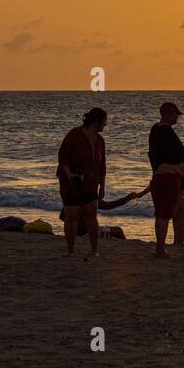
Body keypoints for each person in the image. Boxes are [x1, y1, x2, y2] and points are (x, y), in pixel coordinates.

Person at [147, 101, 184, 259]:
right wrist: (179, 162)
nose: (177, 117)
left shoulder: (155, 130)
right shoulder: (165, 131)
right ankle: (165, 247)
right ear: (168, 114)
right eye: (175, 114)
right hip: (174, 179)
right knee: (170, 214)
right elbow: (181, 152)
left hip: (177, 180)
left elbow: (154, 154)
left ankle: (176, 243)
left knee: (173, 214)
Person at [57, 107, 108, 257]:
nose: (105, 125)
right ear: (96, 122)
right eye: (104, 122)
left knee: (91, 215)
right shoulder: (74, 135)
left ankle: (94, 250)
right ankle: (70, 251)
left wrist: (102, 187)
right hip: (71, 184)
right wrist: (70, 176)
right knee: (71, 215)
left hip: (91, 184)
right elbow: (63, 158)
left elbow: (102, 166)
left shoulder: (100, 141)